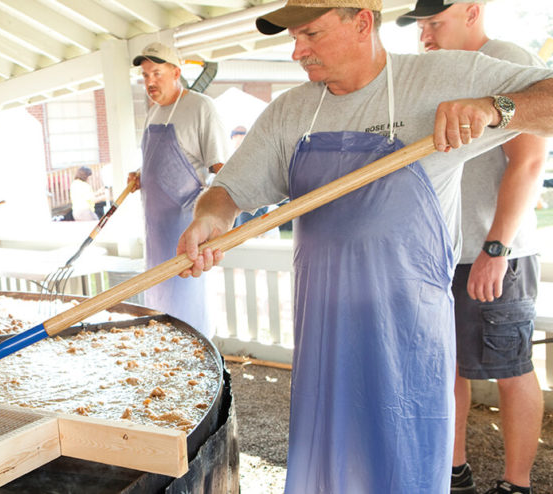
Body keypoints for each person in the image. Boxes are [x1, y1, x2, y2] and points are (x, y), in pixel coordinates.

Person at [174, 0, 553, 491]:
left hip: (409, 335)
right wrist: (210, 217)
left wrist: (494, 108)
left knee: (405, 466)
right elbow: (230, 192)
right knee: (332, 469)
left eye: (310, 34)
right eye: (294, 38)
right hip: (324, 334)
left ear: (362, 21)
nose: (296, 52)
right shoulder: (291, 112)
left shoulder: (441, 77)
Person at [397, 2, 548, 493]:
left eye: (434, 24)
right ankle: (454, 469)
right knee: (449, 367)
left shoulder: (504, 60)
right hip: (445, 253)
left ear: (472, 12)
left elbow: (526, 164)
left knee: (511, 369)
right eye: (420, 27)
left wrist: (496, 249)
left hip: (496, 252)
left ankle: (517, 484)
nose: (425, 36)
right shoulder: (441, 73)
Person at [129, 41, 229, 338]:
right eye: (145, 75)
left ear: (176, 72)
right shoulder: (152, 113)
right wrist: (139, 175)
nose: (150, 82)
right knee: (159, 305)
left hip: (187, 226)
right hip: (155, 229)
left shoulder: (200, 107)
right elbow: (154, 164)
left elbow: (221, 170)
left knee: (188, 304)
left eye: (156, 73)